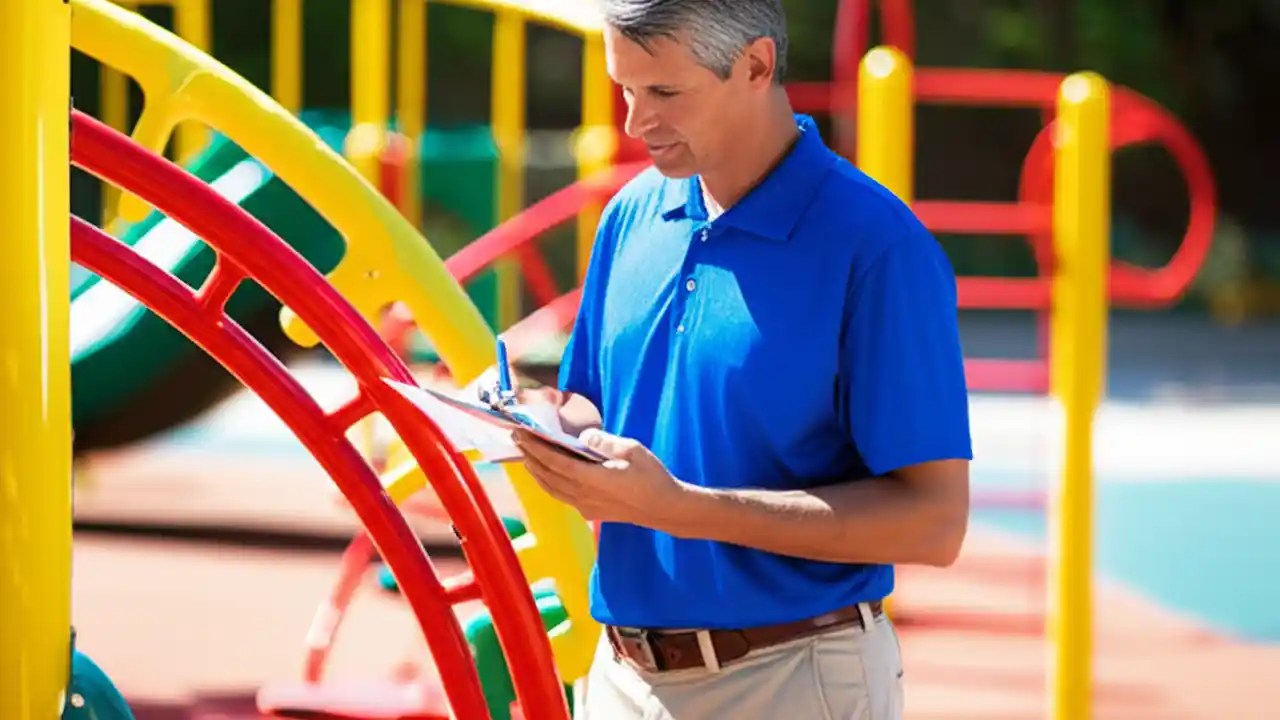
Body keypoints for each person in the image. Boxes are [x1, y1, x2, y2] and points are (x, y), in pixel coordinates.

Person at [509, 1, 972, 717]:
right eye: (625, 89)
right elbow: (592, 401)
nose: (636, 122)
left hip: (792, 679)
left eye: (664, 92)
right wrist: (538, 421)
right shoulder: (630, 214)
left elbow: (933, 523)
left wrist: (686, 511)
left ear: (756, 65)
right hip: (619, 678)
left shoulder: (877, 247)